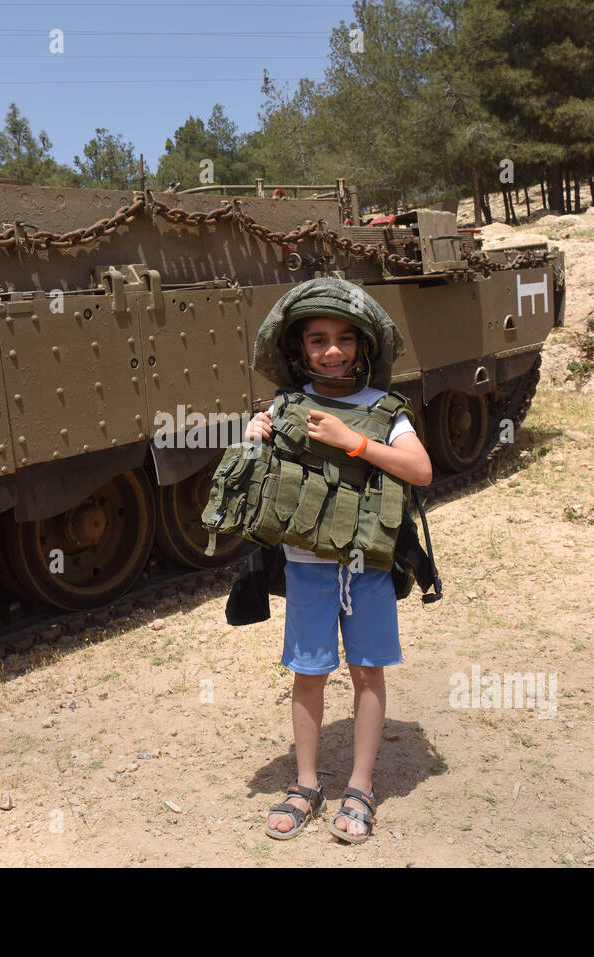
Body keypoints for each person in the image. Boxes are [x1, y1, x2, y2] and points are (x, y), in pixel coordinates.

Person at [244, 279, 432, 843]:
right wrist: (253, 438)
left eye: (345, 339)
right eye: (318, 339)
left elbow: (420, 471)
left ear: (363, 346)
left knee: (366, 672)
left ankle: (360, 787)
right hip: (306, 566)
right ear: (299, 348)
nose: (332, 351)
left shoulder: (385, 410)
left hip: (367, 568)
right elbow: (254, 483)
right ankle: (305, 784)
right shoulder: (285, 407)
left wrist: (354, 441)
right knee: (308, 674)